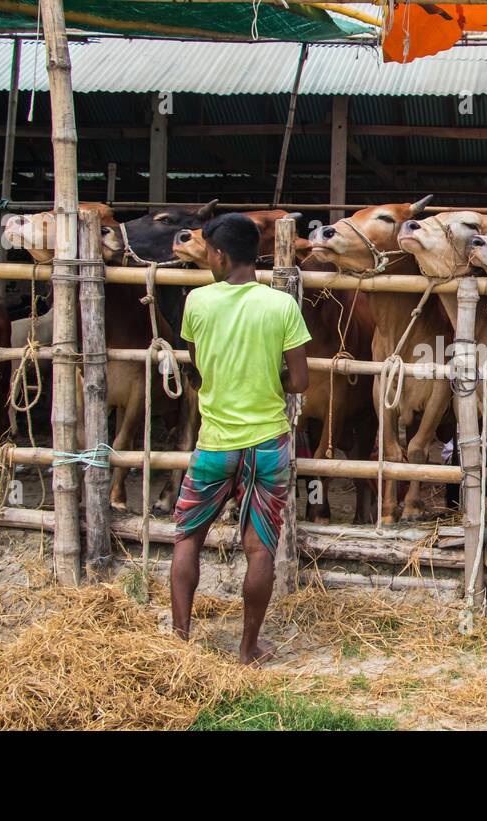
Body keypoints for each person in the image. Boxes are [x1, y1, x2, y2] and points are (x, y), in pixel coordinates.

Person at [170, 212, 310, 664]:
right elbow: (301, 381)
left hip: (214, 443)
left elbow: (200, 366)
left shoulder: (197, 302)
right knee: (259, 546)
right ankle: (248, 650)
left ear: (220, 254)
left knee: (188, 539)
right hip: (267, 442)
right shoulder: (281, 305)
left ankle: (179, 642)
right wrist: (273, 381)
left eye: (209, 251)